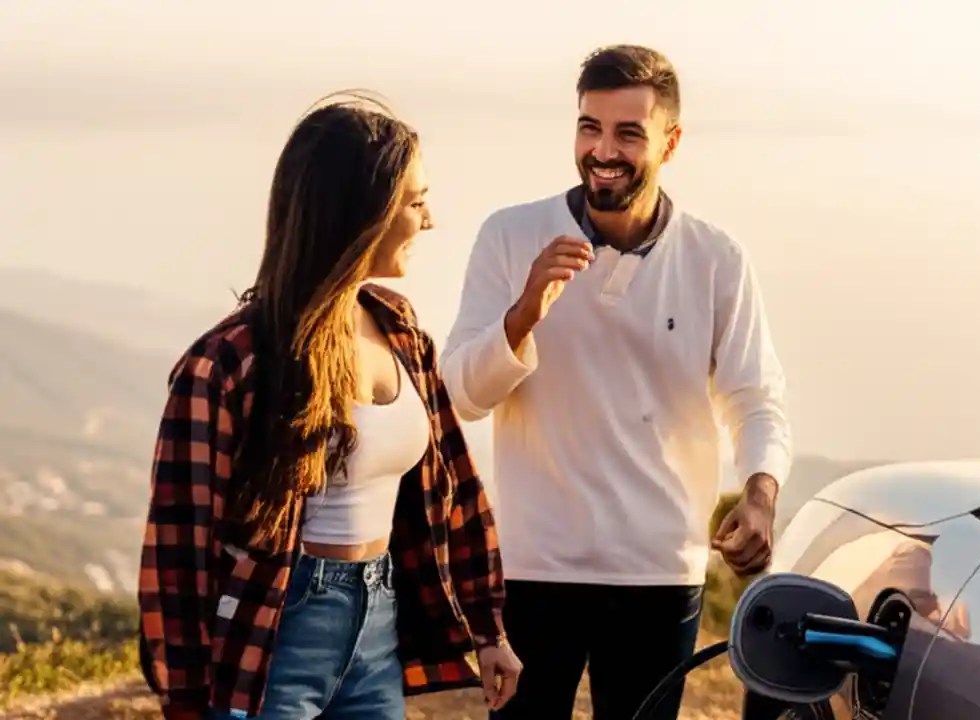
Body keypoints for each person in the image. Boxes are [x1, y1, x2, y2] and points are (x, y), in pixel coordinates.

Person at [136, 92, 522, 720]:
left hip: (379, 625)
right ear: (362, 214)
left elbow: (455, 490)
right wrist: (184, 698)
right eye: (416, 202)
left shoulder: (401, 332)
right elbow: (178, 550)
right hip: (276, 635)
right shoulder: (229, 364)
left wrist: (489, 629)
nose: (430, 221)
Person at [441, 45, 793, 720]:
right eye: (589, 127)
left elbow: (756, 398)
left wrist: (760, 492)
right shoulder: (510, 237)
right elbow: (461, 394)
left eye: (628, 133)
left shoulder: (716, 259)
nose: (603, 150)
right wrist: (522, 316)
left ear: (671, 142)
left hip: (658, 571)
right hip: (532, 564)